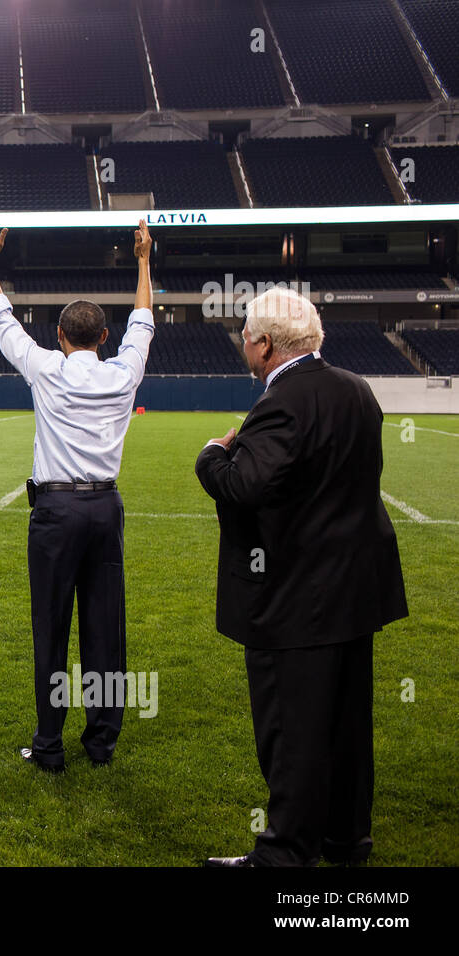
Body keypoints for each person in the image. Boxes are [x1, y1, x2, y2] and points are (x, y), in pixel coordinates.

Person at [195, 287, 407, 867]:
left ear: (264, 344)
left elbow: (245, 485)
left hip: (295, 596)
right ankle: (345, 841)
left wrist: (212, 455)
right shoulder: (356, 389)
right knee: (345, 726)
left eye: (246, 336)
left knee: (292, 730)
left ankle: (285, 852)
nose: (244, 345)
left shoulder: (284, 400)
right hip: (354, 591)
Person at [0, 212, 155, 773]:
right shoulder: (124, 371)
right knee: (106, 629)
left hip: (55, 510)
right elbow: (144, 319)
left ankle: (49, 746)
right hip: (105, 508)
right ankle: (101, 743)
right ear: (104, 337)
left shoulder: (46, 368)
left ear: (59, 335)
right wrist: (144, 259)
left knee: (51, 627)